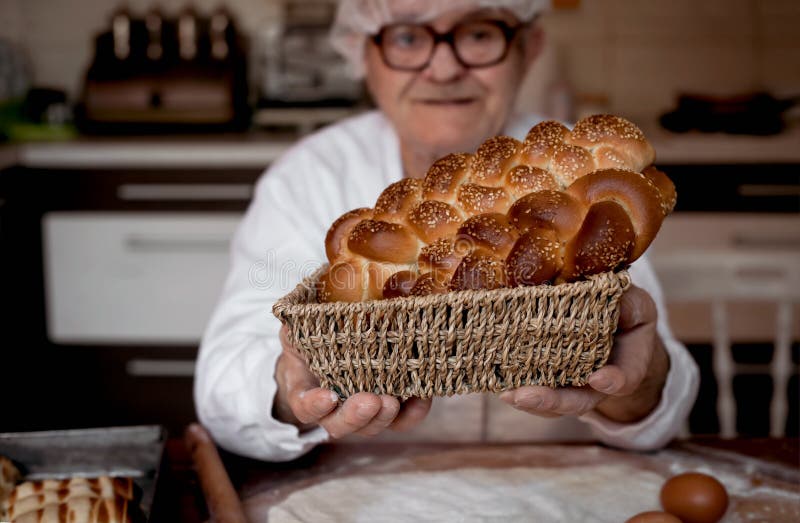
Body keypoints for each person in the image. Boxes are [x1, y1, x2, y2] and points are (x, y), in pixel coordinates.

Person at [194, 0, 699, 461]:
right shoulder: (309, 178)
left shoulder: (582, 187)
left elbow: (663, 419)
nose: (444, 68)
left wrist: (637, 381)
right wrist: (290, 389)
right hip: (364, 503)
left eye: (479, 34)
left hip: (559, 493)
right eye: (408, 38)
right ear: (363, 55)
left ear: (529, 48)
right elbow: (222, 393)